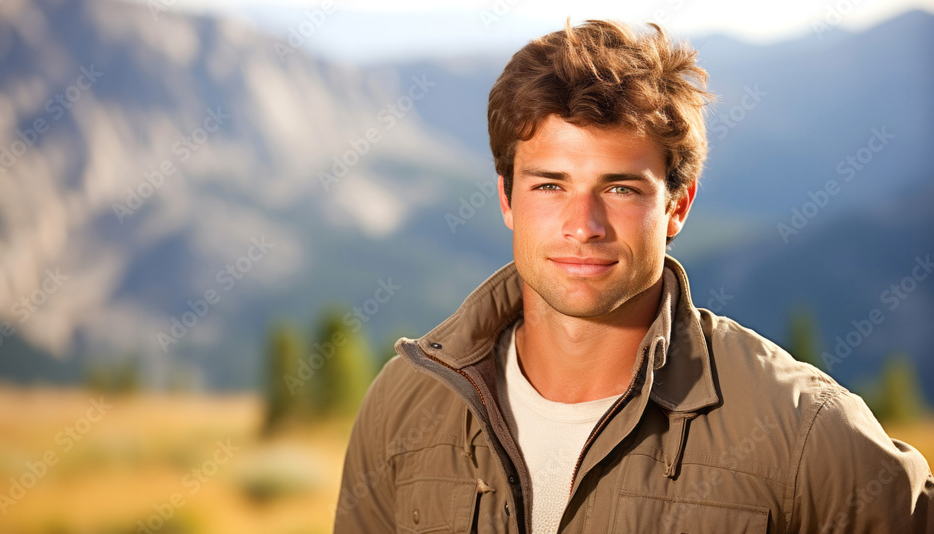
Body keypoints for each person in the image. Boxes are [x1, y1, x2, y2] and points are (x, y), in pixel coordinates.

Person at [333, 19, 933, 534]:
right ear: (507, 198)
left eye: (619, 188)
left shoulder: (803, 428)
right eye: (550, 185)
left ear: (677, 206)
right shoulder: (402, 403)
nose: (583, 225)